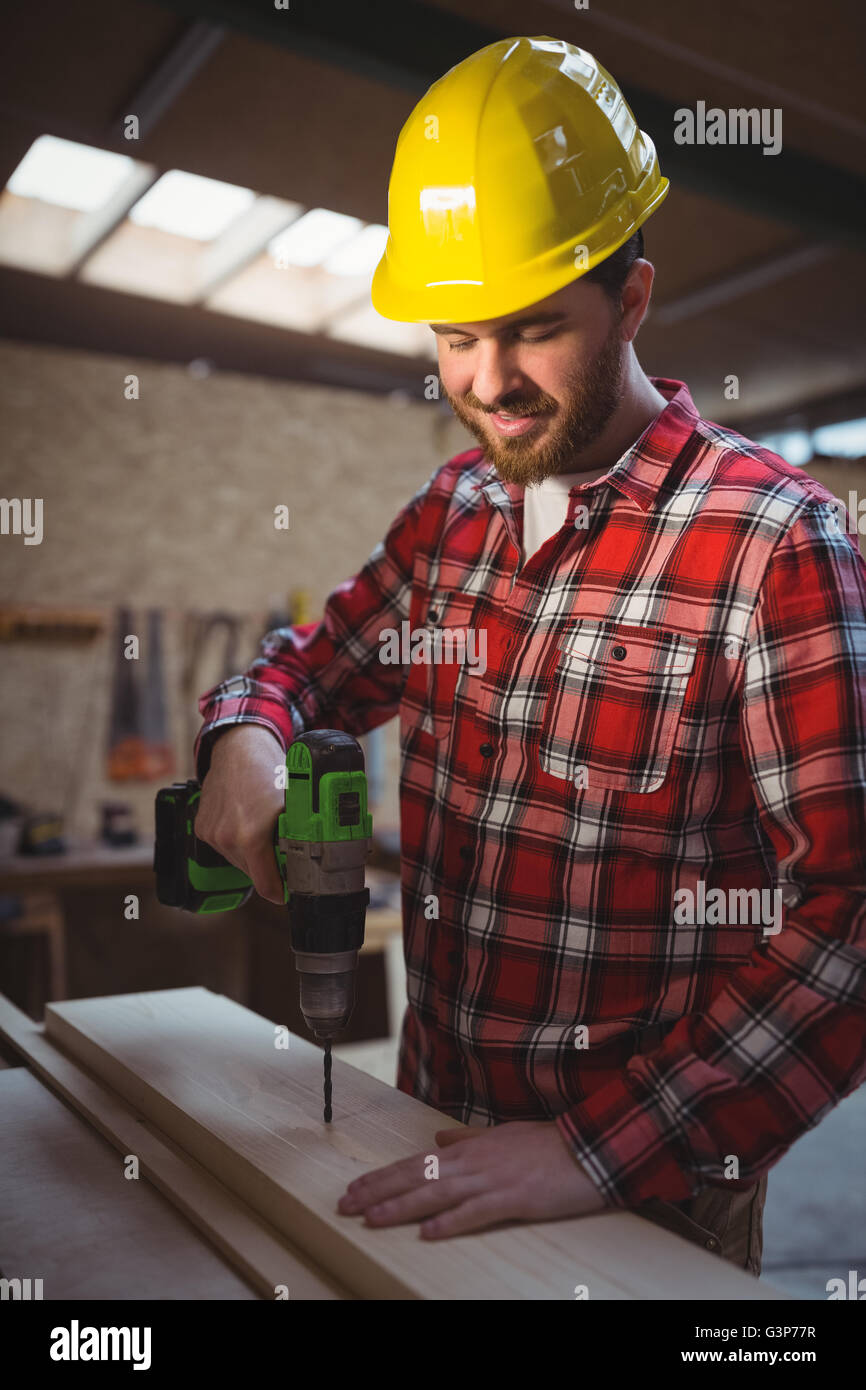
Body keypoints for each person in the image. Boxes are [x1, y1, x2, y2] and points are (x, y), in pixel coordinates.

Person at [194, 37, 866, 1277]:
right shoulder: (454, 511)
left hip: (649, 1186)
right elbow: (307, 665)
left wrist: (592, 1148)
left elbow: (846, 913)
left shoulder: (773, 542)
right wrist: (246, 728)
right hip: (422, 1127)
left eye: (535, 331)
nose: (490, 383)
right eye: (454, 336)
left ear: (633, 299)